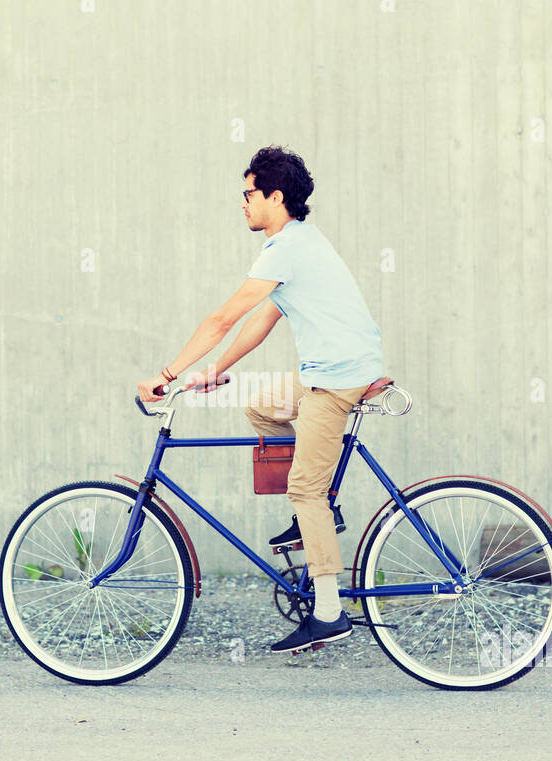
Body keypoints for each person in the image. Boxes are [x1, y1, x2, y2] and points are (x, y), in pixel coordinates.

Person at [135, 145, 385, 653]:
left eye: (249, 193)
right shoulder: (297, 244)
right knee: (262, 406)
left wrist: (168, 374)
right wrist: (212, 372)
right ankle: (320, 514)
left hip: (335, 380)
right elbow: (260, 322)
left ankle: (330, 611)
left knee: (305, 490)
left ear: (275, 196)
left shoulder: (286, 249)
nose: (242, 203)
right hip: (333, 369)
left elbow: (223, 318)